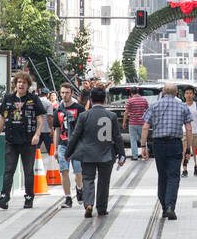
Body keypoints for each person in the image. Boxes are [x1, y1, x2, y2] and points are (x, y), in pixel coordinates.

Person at [65, 86, 124, 217]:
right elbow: (117, 137)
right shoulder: (111, 115)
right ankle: (102, 208)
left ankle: (89, 204)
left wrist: (68, 152)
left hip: (88, 154)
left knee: (87, 178)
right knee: (104, 181)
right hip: (106, 154)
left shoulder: (84, 116)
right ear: (105, 99)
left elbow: (75, 136)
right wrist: (122, 154)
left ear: (91, 99)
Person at [140, 83, 193, 220]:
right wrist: (188, 148)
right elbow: (189, 129)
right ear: (176, 94)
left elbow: (145, 127)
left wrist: (143, 146)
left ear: (163, 92)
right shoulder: (183, 106)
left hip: (158, 145)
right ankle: (170, 206)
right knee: (174, 176)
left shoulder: (154, 106)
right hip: (175, 144)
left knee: (162, 175)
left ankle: (164, 207)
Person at [0, 73, 45, 209]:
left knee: (28, 170)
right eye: (19, 82)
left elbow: (40, 119)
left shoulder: (33, 99)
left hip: (28, 141)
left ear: (28, 85)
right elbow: (2, 119)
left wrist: (37, 135)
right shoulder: (8, 98)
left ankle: (29, 197)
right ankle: (4, 197)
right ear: (15, 84)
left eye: (24, 83)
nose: (21, 85)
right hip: (11, 140)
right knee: (9, 170)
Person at [53, 83, 84, 208]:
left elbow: (84, 128)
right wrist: (55, 148)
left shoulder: (79, 108)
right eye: (62, 93)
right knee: (64, 171)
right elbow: (57, 130)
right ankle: (67, 197)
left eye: (66, 92)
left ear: (71, 93)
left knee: (78, 172)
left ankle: (79, 188)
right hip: (63, 144)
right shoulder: (58, 110)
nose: (64, 95)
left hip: (76, 145)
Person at [180, 85, 197, 177]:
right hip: (184, 132)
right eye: (187, 93)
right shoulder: (181, 106)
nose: (189, 95)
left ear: (193, 95)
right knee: (185, 151)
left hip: (196, 131)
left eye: (190, 93)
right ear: (184, 95)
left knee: (195, 151)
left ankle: (196, 165)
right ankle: (185, 169)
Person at [122, 85, 149, 159]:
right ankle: (145, 154)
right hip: (142, 123)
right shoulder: (144, 100)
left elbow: (126, 112)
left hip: (132, 123)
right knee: (143, 139)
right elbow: (148, 110)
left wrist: (124, 122)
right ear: (137, 92)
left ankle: (135, 156)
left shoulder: (129, 101)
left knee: (133, 139)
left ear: (131, 93)